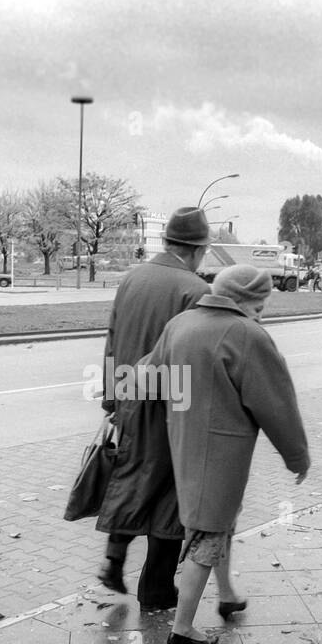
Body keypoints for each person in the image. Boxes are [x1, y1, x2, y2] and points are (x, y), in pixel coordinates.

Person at [140, 264, 310, 644]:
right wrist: (296, 456)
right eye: (261, 306)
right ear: (248, 301)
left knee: (217, 523)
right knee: (209, 533)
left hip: (184, 446)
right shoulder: (248, 336)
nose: (261, 314)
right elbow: (276, 404)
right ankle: (183, 629)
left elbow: (147, 377)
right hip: (222, 453)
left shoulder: (181, 324)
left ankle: (228, 593)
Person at [94, 206, 212, 610]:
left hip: (129, 391)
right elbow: (195, 355)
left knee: (129, 478)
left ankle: (114, 559)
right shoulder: (196, 290)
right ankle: (157, 588)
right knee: (172, 497)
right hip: (172, 403)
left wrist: (112, 396)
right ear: (198, 248)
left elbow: (112, 337)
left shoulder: (132, 278)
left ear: (166, 242)